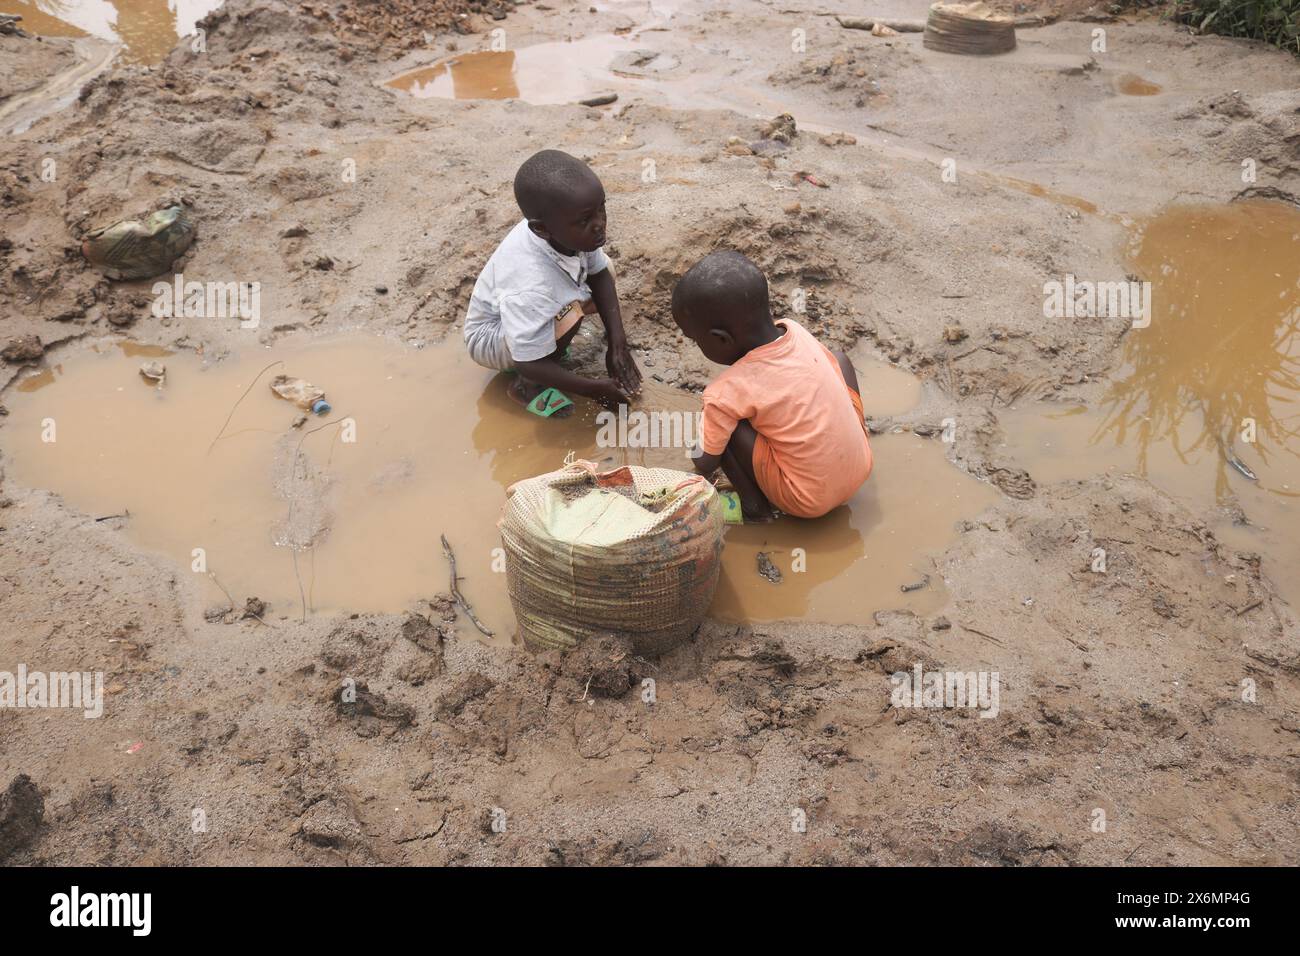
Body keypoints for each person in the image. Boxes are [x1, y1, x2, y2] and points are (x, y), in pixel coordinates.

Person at [463, 149, 641, 417]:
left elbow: (600, 274)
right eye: (586, 220)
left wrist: (619, 344)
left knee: (606, 271)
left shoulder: (570, 229)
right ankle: (526, 389)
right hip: (491, 338)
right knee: (570, 311)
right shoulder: (531, 284)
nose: (599, 224)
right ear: (541, 229)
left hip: (522, 313)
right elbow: (527, 362)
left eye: (601, 208)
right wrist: (593, 388)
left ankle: (550, 346)